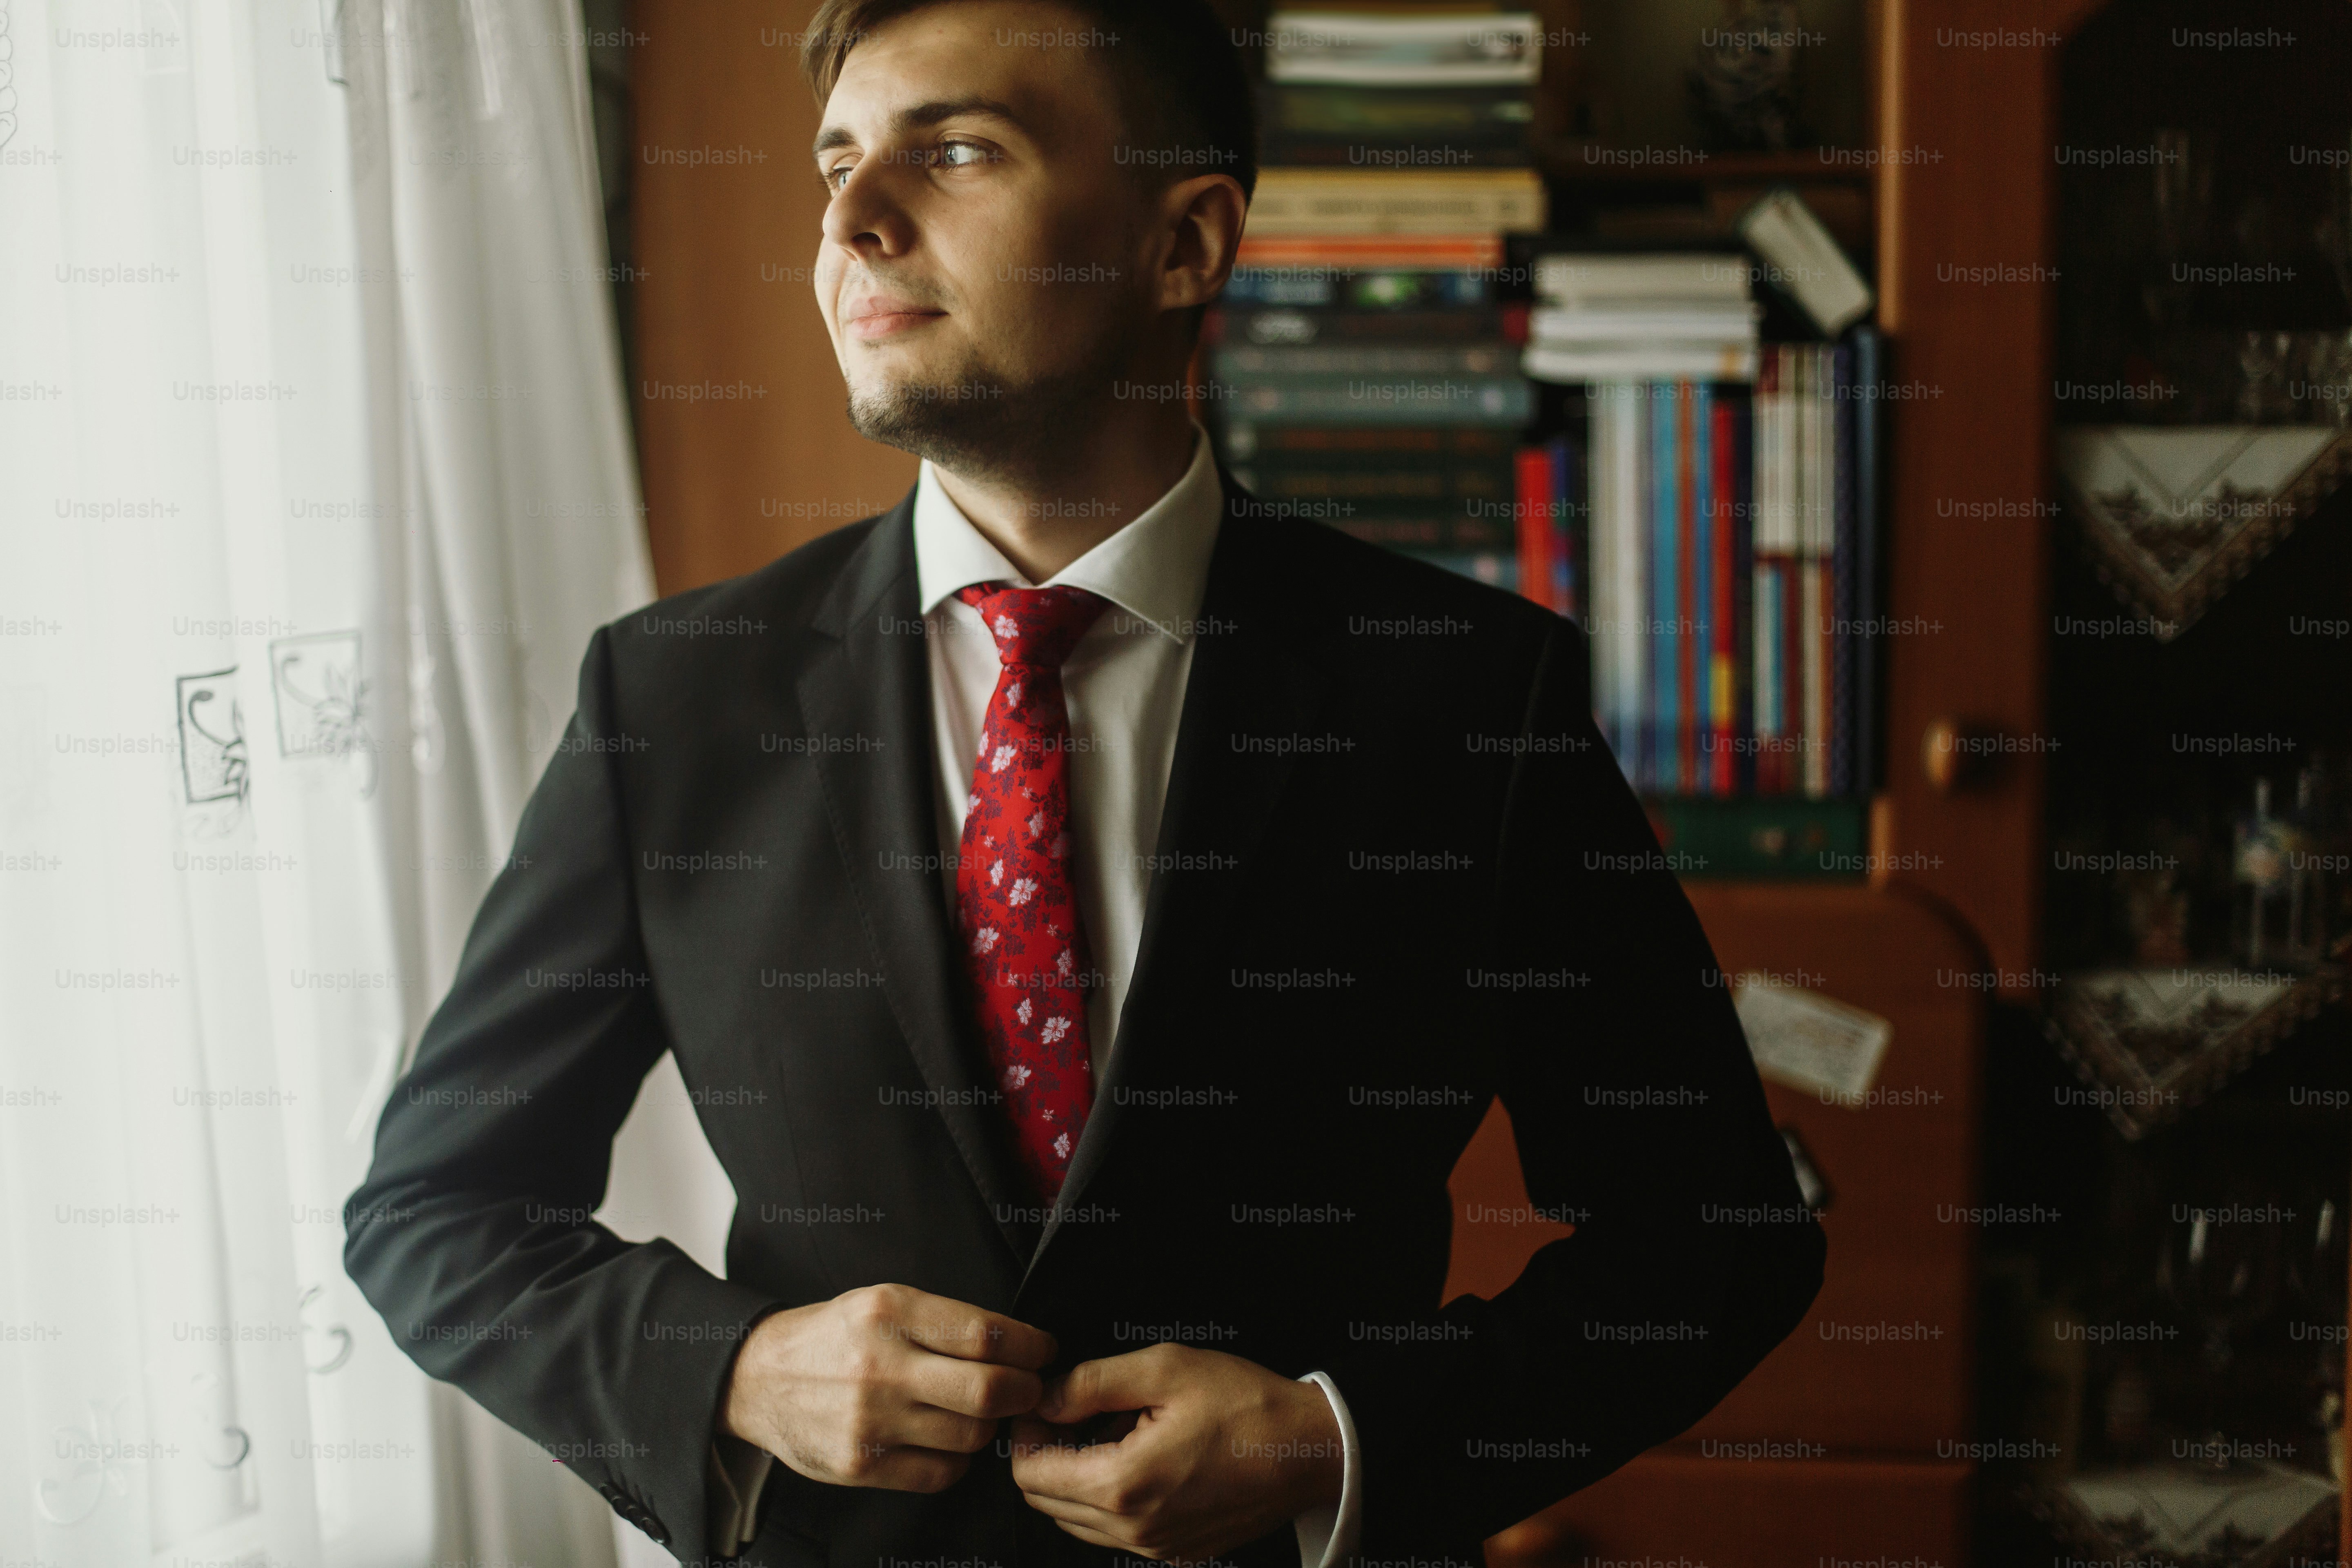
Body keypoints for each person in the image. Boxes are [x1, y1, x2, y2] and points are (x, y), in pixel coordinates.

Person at [342, 2, 1827, 1564]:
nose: (850, 219)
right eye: (837, 164)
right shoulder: (673, 702)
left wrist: (1334, 1438)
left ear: (1184, 244)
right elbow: (436, 1210)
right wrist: (736, 1372)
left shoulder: (1467, 697)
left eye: (959, 151)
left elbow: (1713, 1242)